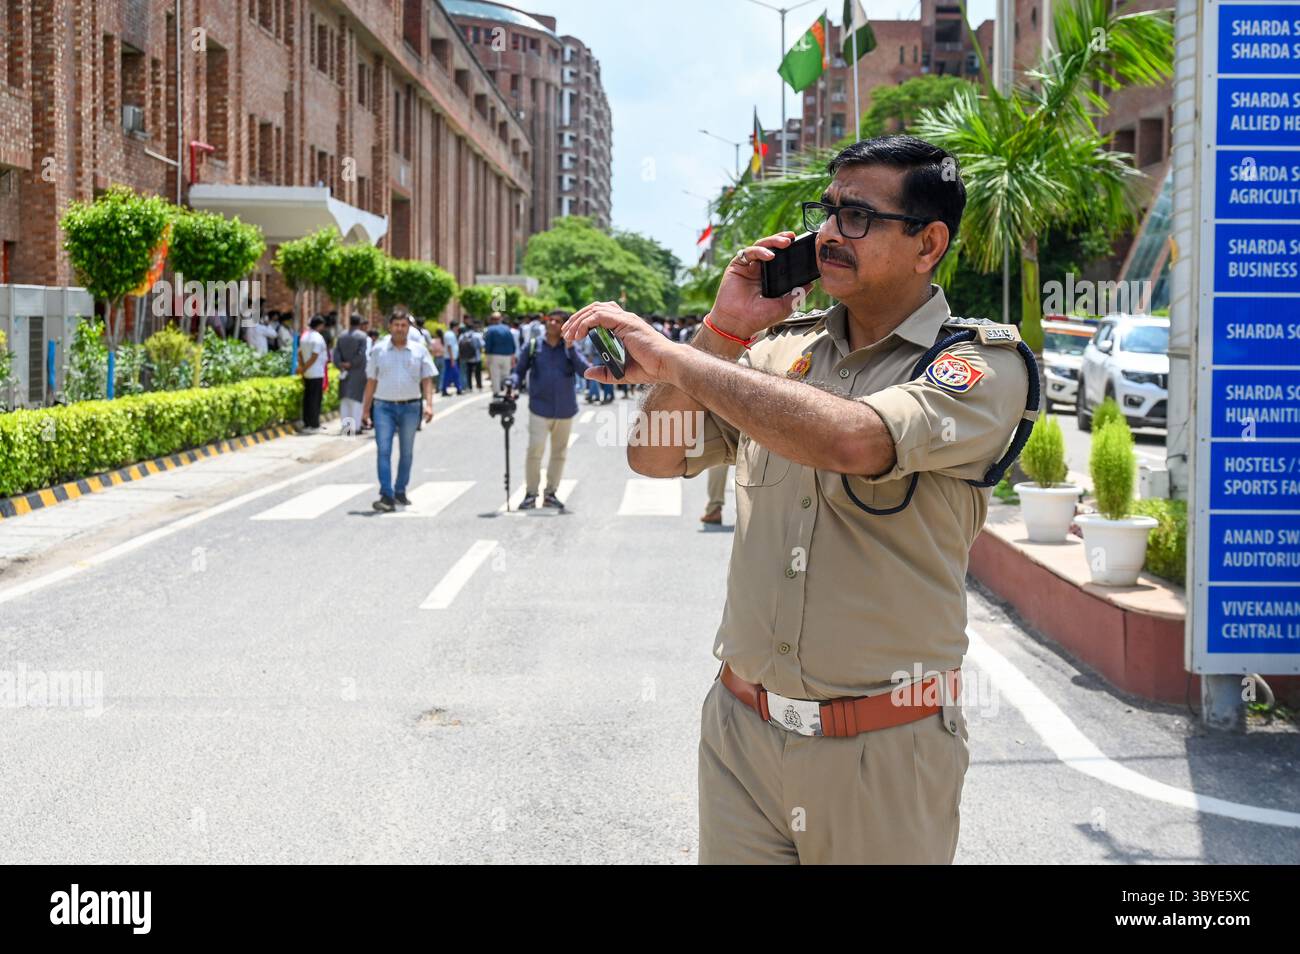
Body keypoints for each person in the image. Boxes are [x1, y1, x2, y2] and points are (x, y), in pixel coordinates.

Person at [564, 135, 1032, 865]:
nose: (828, 234)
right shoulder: (780, 349)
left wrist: (674, 355)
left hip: (884, 750)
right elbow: (655, 454)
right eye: (829, 210)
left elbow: (854, 441)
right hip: (741, 736)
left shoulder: (978, 362)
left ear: (928, 243)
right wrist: (720, 331)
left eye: (858, 216)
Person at [507, 309, 590, 509]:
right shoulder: (534, 346)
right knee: (535, 450)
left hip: (565, 410)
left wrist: (571, 349)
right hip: (539, 407)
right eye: (549, 319)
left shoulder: (571, 348)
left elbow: (584, 370)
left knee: (559, 453)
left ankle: (550, 493)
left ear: (565, 325)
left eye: (557, 320)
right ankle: (531, 494)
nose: (552, 322)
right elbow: (519, 372)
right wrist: (512, 384)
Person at [361, 313, 437, 512]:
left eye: (404, 325)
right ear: (389, 327)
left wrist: (429, 404)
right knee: (383, 450)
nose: (400, 329)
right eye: (396, 325)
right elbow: (371, 380)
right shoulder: (378, 351)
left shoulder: (419, 350)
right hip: (383, 407)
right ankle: (386, 494)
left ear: (409, 328)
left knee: (406, 452)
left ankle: (400, 490)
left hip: (411, 407)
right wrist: (365, 409)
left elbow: (427, 378)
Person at [333, 313, 370, 435]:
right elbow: (361, 353)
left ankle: (346, 428)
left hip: (344, 372)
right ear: (359, 323)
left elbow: (336, 353)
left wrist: (341, 364)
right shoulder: (362, 336)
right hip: (357, 372)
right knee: (357, 401)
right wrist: (352, 363)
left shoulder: (341, 335)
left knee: (345, 401)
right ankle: (356, 428)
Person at [297, 315, 329, 433]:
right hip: (316, 372)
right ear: (320, 325)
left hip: (307, 373)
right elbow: (315, 356)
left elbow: (300, 353)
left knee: (307, 398)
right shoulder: (317, 338)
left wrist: (302, 367)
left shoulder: (304, 336)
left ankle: (306, 423)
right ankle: (314, 425)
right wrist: (305, 368)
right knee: (315, 399)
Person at [483, 312, 516, 396]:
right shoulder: (507, 329)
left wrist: (486, 357)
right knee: (506, 374)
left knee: (495, 375)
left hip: (494, 355)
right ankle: (507, 390)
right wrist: (512, 356)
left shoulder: (490, 329)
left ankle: (496, 392)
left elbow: (488, 344)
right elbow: (512, 343)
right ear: (500, 319)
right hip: (507, 355)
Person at [458, 321, 483, 391]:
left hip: (467, 357)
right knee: (477, 373)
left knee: (468, 373)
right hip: (477, 357)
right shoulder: (477, 335)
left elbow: (459, 345)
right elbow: (482, 344)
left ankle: (470, 386)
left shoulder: (463, 336)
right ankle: (479, 385)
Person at [441, 322, 462, 395]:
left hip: (450, 358)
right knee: (454, 374)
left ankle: (457, 389)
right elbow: (449, 347)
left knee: (451, 374)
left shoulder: (450, 334)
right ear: (455, 326)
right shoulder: (450, 335)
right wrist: (452, 359)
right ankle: (458, 389)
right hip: (450, 358)